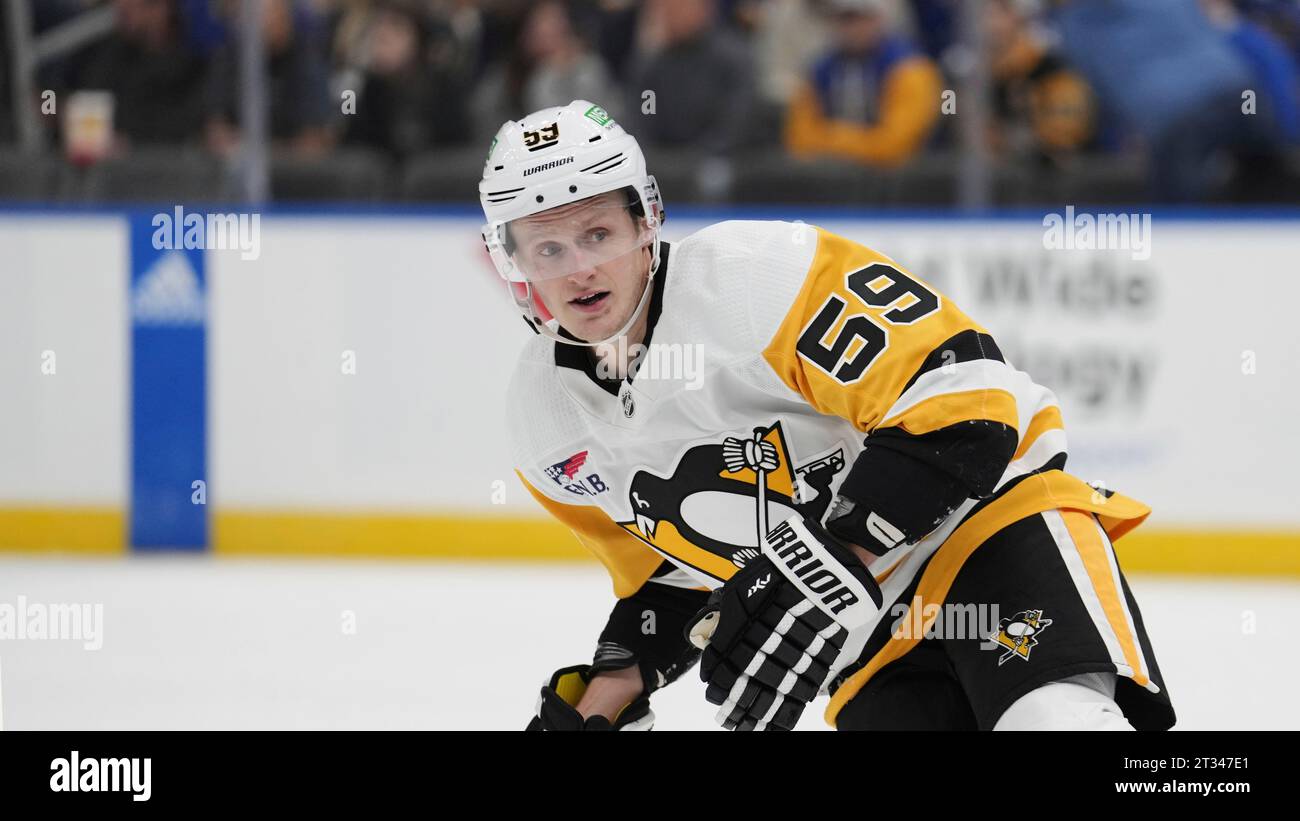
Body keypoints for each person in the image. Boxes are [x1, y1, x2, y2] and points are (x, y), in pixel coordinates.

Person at [483, 100, 1175, 731]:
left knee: (1055, 720)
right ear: (509, 262)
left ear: (645, 221)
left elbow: (968, 400)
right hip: (859, 630)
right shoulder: (544, 422)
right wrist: (606, 697)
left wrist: (835, 554)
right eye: (548, 248)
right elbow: (676, 577)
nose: (579, 269)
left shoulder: (756, 277)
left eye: (597, 233)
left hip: (986, 528)